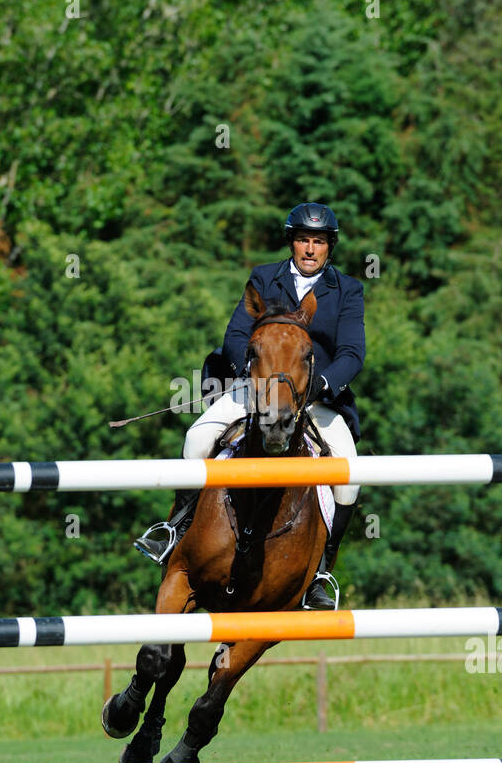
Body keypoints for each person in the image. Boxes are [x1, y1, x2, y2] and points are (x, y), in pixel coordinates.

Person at [134, 202, 364, 610]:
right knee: (197, 438)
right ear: (291, 242)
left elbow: (351, 352)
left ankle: (323, 571)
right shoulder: (264, 278)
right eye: (303, 240)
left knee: (349, 475)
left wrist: (320, 384)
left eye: (319, 242)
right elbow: (236, 335)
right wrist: (253, 374)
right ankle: (175, 528)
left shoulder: (346, 290)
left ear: (330, 247)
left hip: (315, 399)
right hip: (256, 391)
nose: (310, 249)